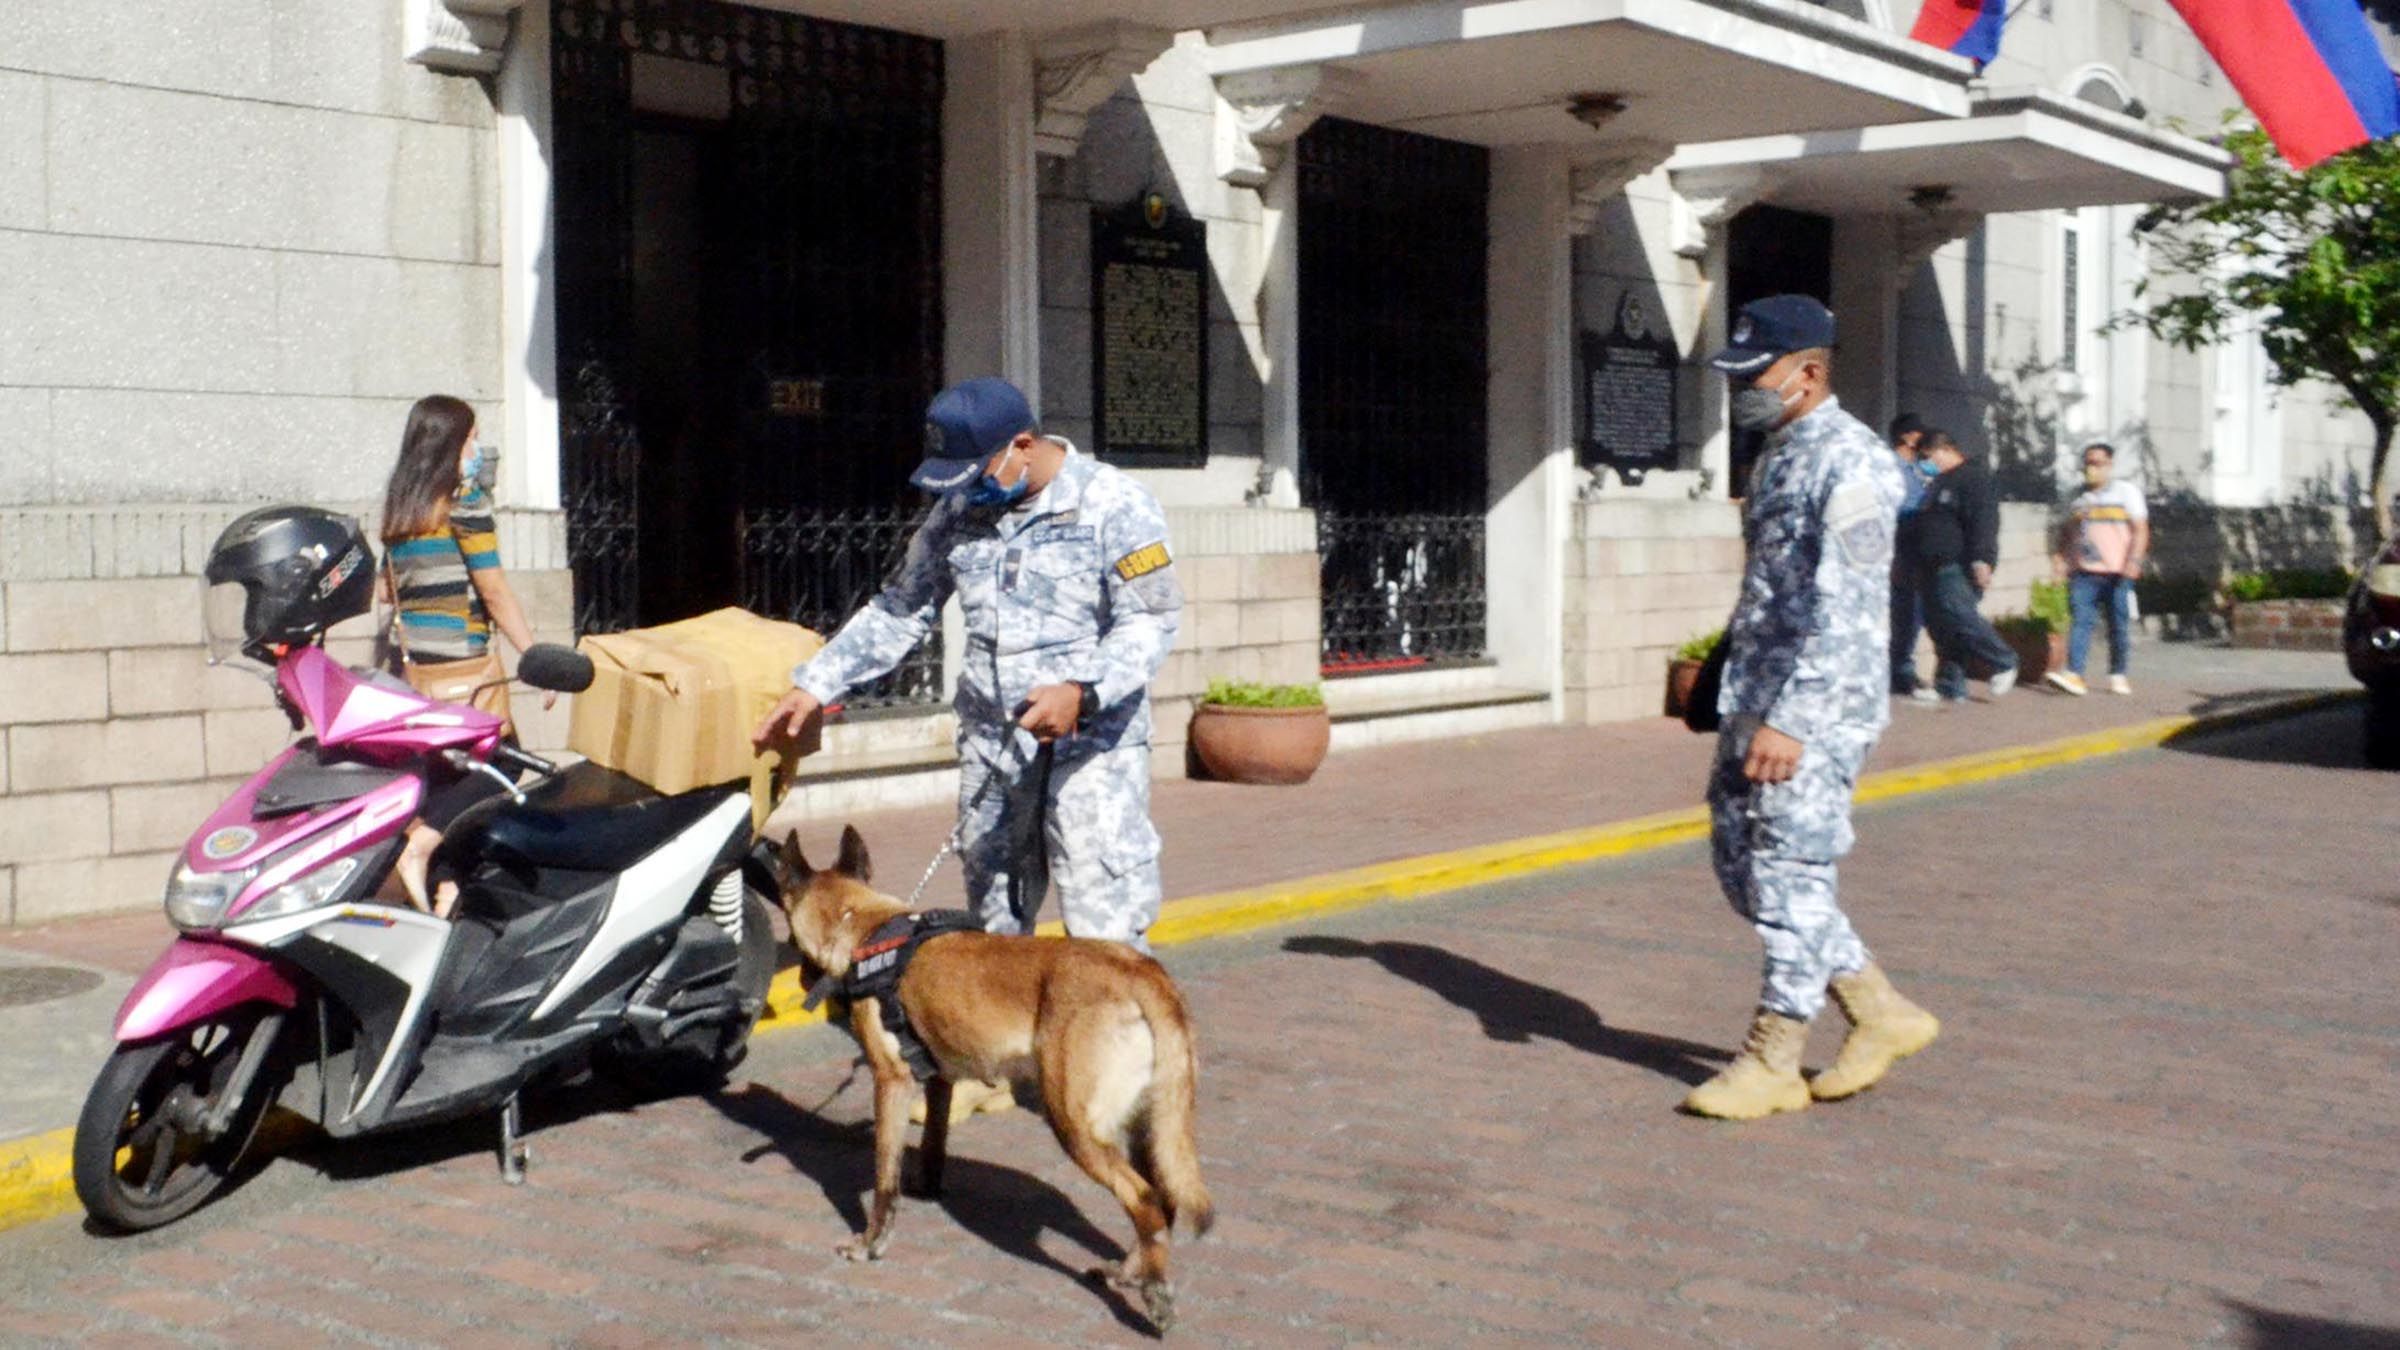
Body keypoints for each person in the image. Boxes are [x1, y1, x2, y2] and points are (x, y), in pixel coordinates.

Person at [1682, 295, 1941, 1122]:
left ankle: (1773, 1057)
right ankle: (1877, 1009)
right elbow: (1771, 589)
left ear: (1809, 372)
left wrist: (1795, 718)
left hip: (1817, 707)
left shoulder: (1855, 462)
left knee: (1791, 869)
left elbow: (1851, 606)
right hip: (1754, 696)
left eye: (1753, 375)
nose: (1743, 391)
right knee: (1742, 863)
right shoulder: (1778, 454)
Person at [378, 394, 549, 918]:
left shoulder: (401, 508)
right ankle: (422, 844)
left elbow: (387, 594)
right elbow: (494, 591)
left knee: (455, 778)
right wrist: (537, 657)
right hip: (468, 670)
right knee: (504, 763)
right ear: (452, 444)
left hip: (420, 672)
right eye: (472, 438)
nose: (477, 448)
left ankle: (449, 891)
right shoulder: (464, 504)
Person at [1911, 429, 2018, 704]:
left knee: (1959, 616)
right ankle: (1949, 685)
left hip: (1957, 565)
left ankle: (2004, 660)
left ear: (1945, 450)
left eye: (1928, 456)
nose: (1926, 463)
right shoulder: (1939, 482)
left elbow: (1984, 522)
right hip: (1932, 565)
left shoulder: (1973, 478)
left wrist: (1982, 559)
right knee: (1943, 628)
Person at [2048, 442, 2149, 696]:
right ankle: (2075, 674)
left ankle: (2118, 673)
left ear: (2109, 465)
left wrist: (2134, 562)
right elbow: (2067, 532)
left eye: (2098, 463)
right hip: (2084, 571)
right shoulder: (2078, 497)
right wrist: (2061, 562)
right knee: (2081, 620)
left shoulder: (2126, 493)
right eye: (2088, 463)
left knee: (2118, 624)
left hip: (2118, 572)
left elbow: (2140, 530)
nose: (2092, 468)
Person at [1887, 414, 1935, 701]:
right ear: (1906, 437)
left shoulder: (1917, 470)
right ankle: (1900, 671)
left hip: (1916, 548)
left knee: (1914, 614)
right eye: (1920, 434)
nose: (1924, 441)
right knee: (1903, 614)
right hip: (1899, 548)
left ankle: (1902, 668)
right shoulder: (1891, 469)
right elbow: (1893, 513)